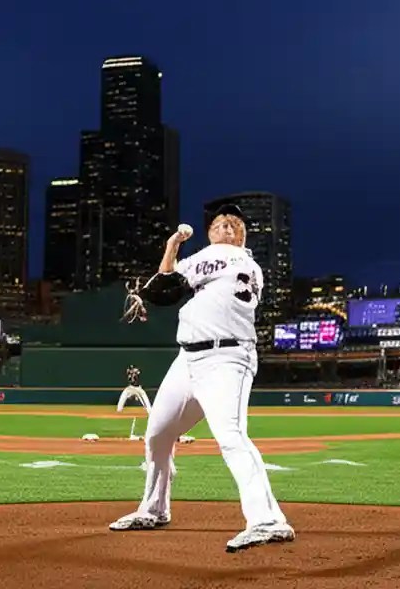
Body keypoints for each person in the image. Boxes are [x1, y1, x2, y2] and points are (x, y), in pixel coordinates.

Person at [109, 204, 293, 553]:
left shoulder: (237, 260)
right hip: (187, 359)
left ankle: (268, 520)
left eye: (233, 224)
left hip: (227, 358)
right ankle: (154, 509)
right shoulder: (204, 258)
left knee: (231, 436)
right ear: (210, 231)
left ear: (241, 236)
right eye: (219, 222)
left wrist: (158, 281)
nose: (225, 226)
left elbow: (164, 290)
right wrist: (172, 246)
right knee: (158, 435)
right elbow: (166, 288)